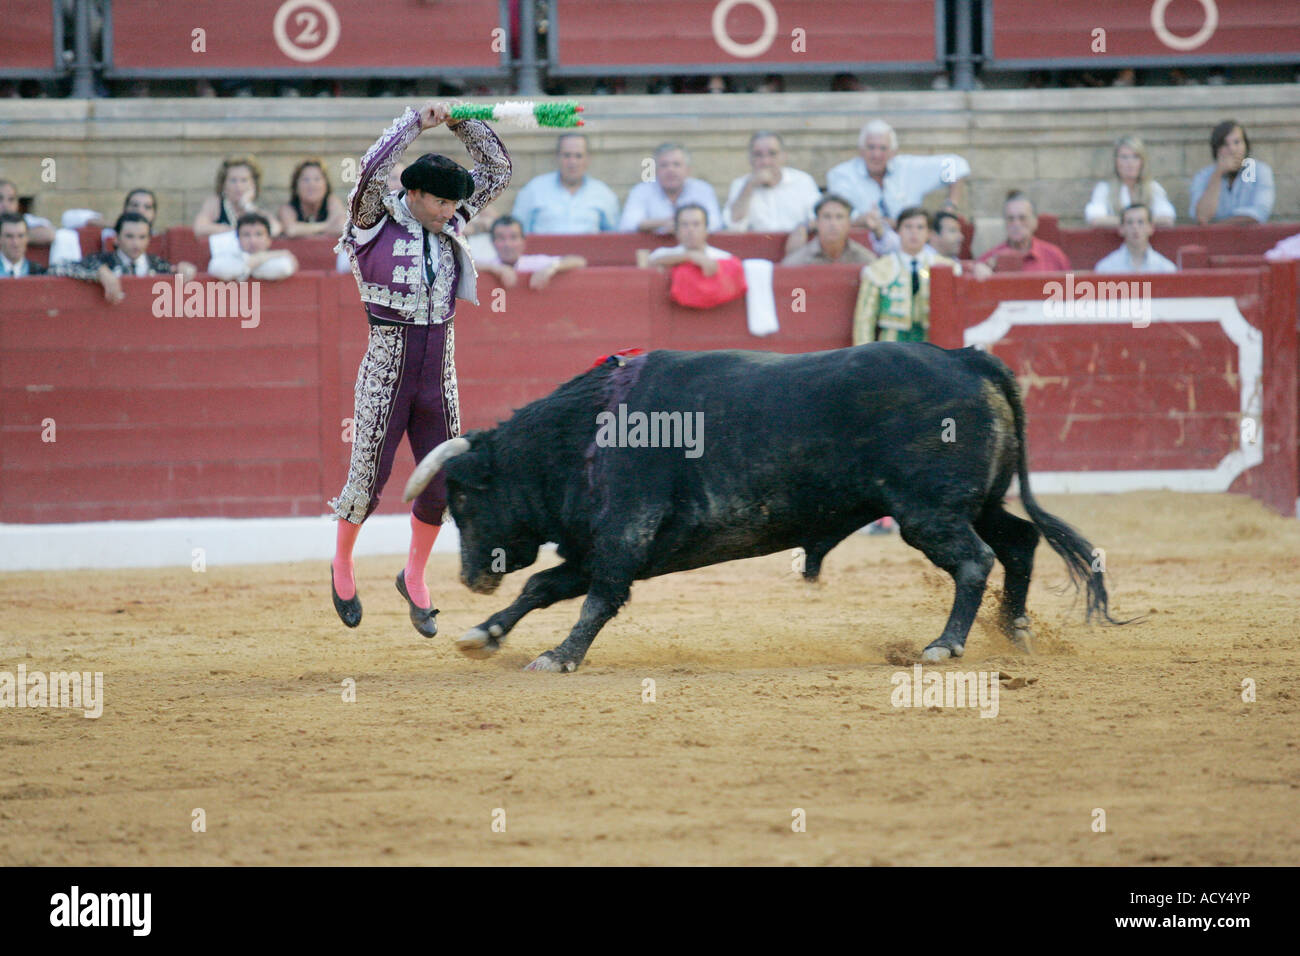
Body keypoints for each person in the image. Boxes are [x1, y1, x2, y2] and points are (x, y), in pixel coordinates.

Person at [329, 100, 510, 637]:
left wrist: (460, 122)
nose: (448, 211)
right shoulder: (372, 220)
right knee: (369, 478)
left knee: (440, 482)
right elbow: (369, 171)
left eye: (454, 201)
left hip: (439, 372)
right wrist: (415, 122)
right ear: (412, 193)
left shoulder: (451, 213)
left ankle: (414, 575)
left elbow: (497, 171)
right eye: (438, 201)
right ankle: (342, 564)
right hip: (387, 367)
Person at [826, 119, 969, 229]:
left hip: (910, 245)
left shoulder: (908, 168)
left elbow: (956, 165)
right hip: (865, 246)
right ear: (861, 150)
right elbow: (840, 217)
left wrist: (951, 204)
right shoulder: (841, 175)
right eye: (871, 147)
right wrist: (864, 220)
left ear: (893, 152)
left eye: (883, 148)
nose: (876, 154)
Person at [853, 207, 958, 346]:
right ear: (898, 231)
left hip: (933, 343)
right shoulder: (878, 269)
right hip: (891, 344)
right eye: (908, 226)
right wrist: (863, 357)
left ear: (929, 234)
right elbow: (864, 319)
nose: (914, 232)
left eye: (920, 227)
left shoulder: (948, 267)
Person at [50, 211, 196, 302]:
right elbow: (56, 268)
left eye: (142, 237)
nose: (136, 243)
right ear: (116, 238)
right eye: (129, 236)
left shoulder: (157, 264)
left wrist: (185, 268)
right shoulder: (100, 261)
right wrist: (100, 272)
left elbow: (182, 272)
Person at [510, 132, 618, 233]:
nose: (572, 162)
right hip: (544, 253)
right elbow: (517, 232)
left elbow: (614, 236)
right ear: (557, 157)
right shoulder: (534, 189)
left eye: (578, 156)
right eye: (567, 155)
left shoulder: (603, 193)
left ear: (587, 159)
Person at [722, 131, 821, 233]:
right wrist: (750, 186)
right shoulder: (740, 185)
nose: (765, 161)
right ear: (750, 159)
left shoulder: (803, 182)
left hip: (796, 246)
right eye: (758, 155)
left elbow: (818, 219)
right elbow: (732, 226)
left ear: (784, 156)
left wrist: (802, 229)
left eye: (772, 154)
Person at [619, 143, 721, 234]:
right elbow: (627, 225)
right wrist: (662, 223)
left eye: (676, 165)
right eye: (664, 165)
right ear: (655, 170)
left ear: (688, 170)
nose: (670, 170)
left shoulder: (702, 189)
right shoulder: (641, 191)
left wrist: (678, 224)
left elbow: (714, 224)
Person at [1189, 120, 1275, 224]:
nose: (1232, 149)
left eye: (1237, 142)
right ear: (1216, 149)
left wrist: (1217, 228)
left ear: (1246, 146)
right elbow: (1202, 217)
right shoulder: (1203, 176)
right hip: (1212, 239)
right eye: (1225, 144)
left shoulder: (1261, 171)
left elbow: (1259, 213)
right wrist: (1217, 174)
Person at [1085, 135, 1176, 227]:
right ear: (1116, 162)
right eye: (1124, 157)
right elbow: (1095, 219)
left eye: (1135, 157)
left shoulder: (1153, 188)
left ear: (1142, 162)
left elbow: (1167, 219)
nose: (1130, 163)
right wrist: (1137, 222)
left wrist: (1128, 222)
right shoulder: (1104, 189)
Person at [476, 215, 586, 289]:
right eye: (501, 238)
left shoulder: (534, 263)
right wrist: (496, 268)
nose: (507, 244)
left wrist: (552, 268)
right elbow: (466, 265)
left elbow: (579, 261)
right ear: (493, 242)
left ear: (523, 241)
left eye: (513, 237)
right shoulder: (489, 264)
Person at [973, 192, 1070, 276]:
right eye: (1011, 219)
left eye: (1022, 218)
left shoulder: (1055, 256)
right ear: (1005, 223)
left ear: (1035, 222)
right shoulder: (988, 260)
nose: (1016, 224)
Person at [193, 156, 281, 238]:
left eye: (244, 180)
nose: (238, 186)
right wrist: (236, 232)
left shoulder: (255, 207)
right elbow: (199, 228)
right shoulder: (215, 203)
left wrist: (247, 206)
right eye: (233, 180)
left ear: (253, 184)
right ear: (224, 184)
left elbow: (275, 229)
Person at [780, 195, 876, 266]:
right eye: (827, 217)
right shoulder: (798, 260)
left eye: (839, 217)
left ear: (849, 224)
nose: (833, 223)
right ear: (817, 222)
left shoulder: (865, 258)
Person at [207, 213, 299, 281]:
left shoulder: (278, 260)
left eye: (259, 234)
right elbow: (216, 268)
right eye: (246, 235)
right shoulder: (228, 256)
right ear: (238, 239)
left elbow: (283, 268)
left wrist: (246, 267)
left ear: (269, 239)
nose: (253, 241)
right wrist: (259, 259)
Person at [644, 203, 733, 272]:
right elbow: (650, 263)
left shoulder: (724, 258)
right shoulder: (662, 253)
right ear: (677, 230)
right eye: (684, 224)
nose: (690, 230)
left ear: (706, 229)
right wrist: (690, 256)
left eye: (696, 224)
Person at [1093, 204, 1177, 274]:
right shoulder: (1105, 268)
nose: (1135, 227)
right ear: (1121, 229)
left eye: (1141, 222)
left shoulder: (1166, 269)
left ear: (1150, 228)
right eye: (1129, 222)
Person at [277, 159, 348, 237]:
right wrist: (327, 225)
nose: (311, 184)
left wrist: (304, 230)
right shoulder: (288, 208)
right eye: (305, 179)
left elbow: (342, 226)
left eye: (317, 179)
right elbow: (291, 230)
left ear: (326, 185)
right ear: (296, 186)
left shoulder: (332, 202)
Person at [0, 179, 55, 244]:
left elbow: (49, 234)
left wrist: (16, 235)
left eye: (11, 199)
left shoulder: (24, 220)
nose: (6, 204)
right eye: (0, 199)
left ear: (17, 203)